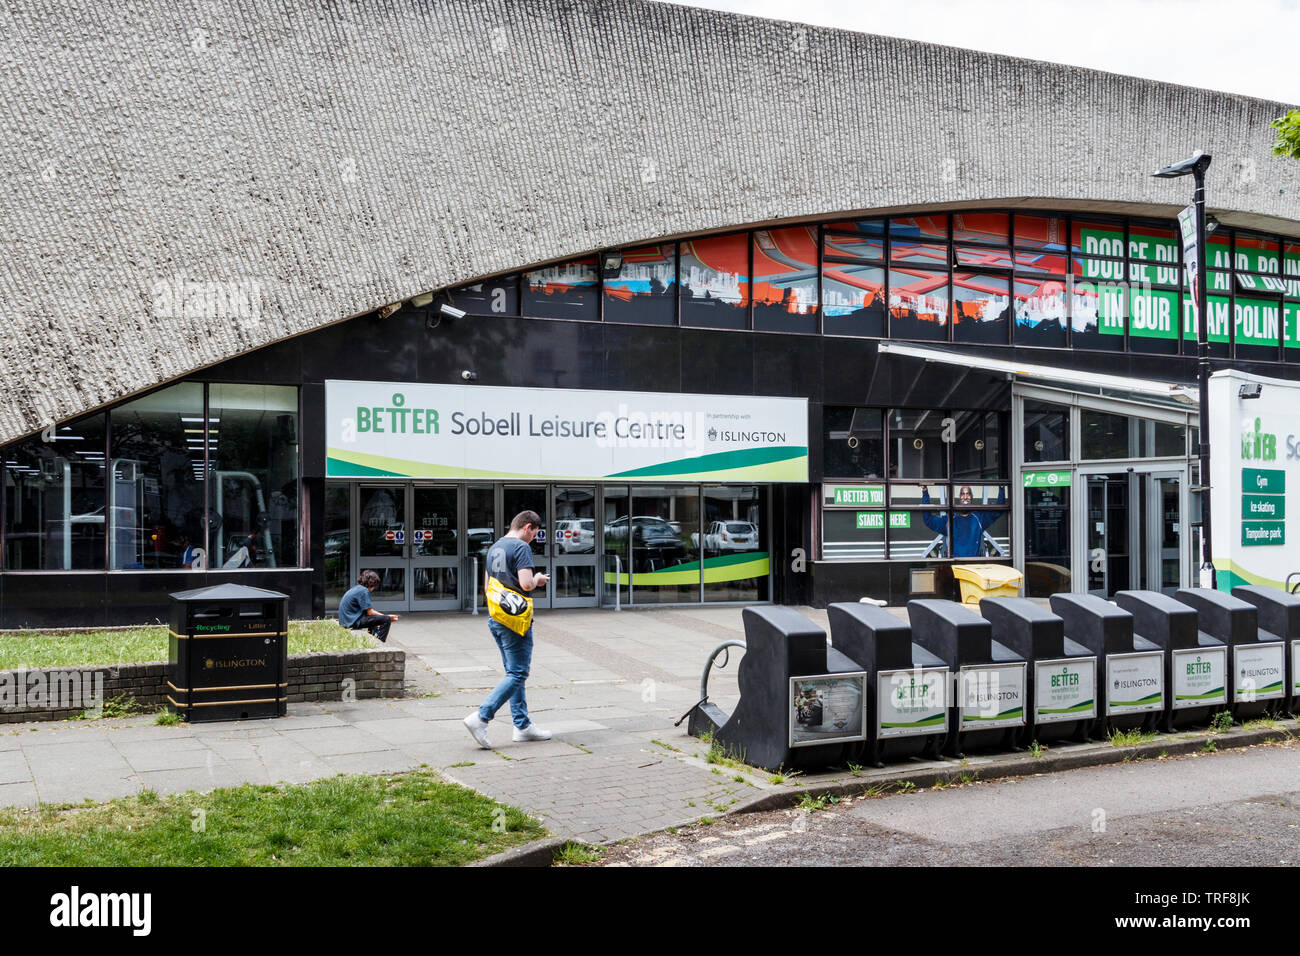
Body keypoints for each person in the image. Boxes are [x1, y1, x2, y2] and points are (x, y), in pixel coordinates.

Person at [464, 510, 551, 749]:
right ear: (528, 528)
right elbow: (525, 583)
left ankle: (522, 725)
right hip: (515, 620)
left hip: (496, 617)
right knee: (518, 673)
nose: (534, 538)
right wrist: (539, 579)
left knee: (513, 672)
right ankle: (481, 717)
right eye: (535, 533)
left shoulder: (494, 548)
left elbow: (486, 586)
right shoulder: (521, 548)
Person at [920, 484, 1005, 558]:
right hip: (956, 567)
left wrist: (1001, 487)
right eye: (962, 494)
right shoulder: (950, 520)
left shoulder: (979, 518)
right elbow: (929, 520)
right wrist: (925, 492)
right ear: (959, 498)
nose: (965, 497)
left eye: (968, 494)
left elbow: (999, 509)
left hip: (974, 568)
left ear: (972, 498)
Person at [338, 569, 399, 643]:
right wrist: (388, 617)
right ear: (372, 583)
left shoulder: (357, 588)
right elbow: (370, 612)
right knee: (386, 619)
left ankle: (373, 640)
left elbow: (368, 613)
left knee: (375, 619)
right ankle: (380, 643)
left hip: (347, 621)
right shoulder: (364, 591)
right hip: (352, 622)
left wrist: (378, 619)